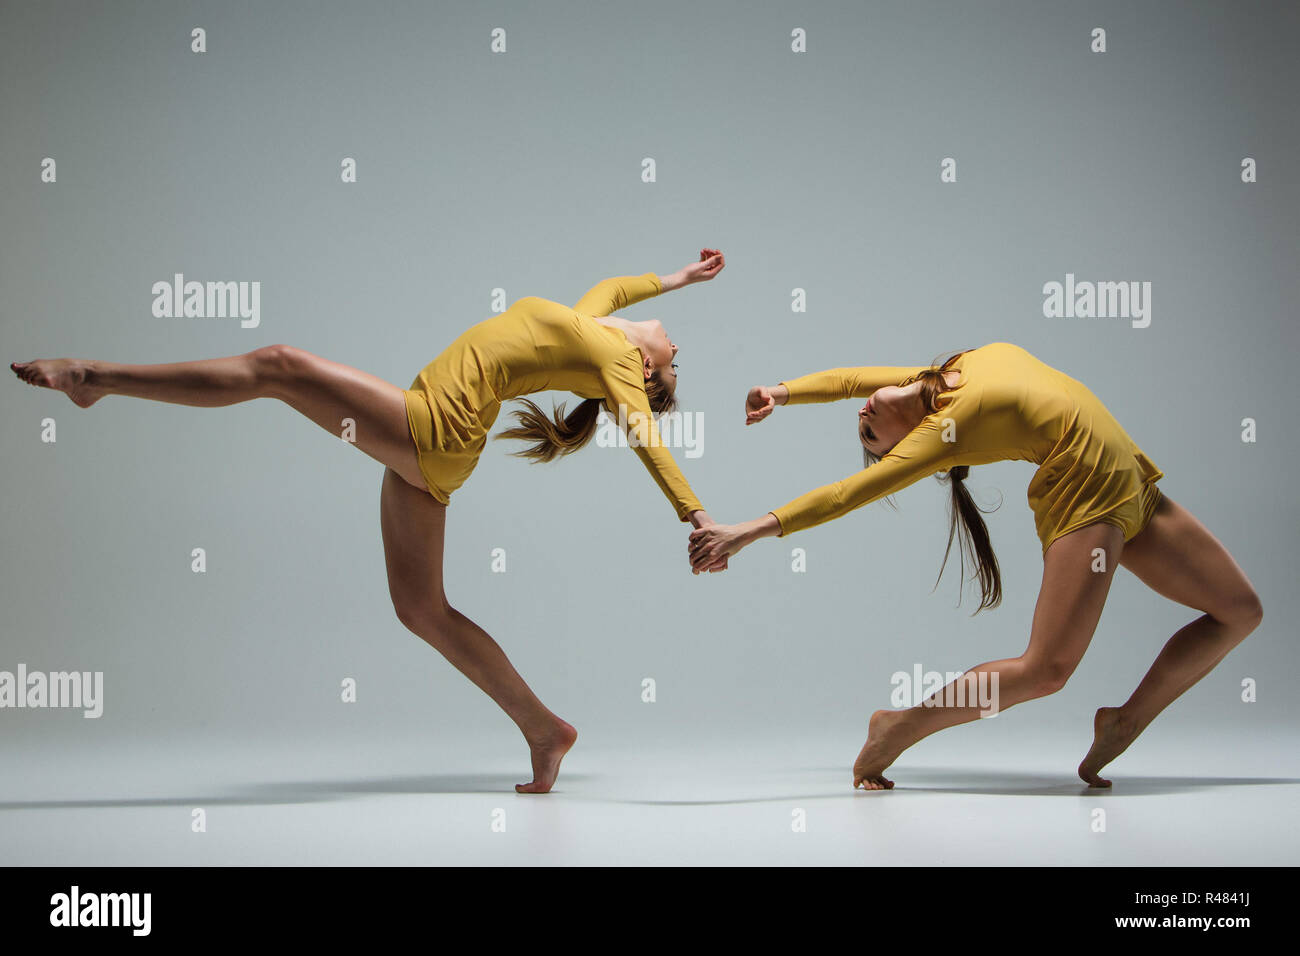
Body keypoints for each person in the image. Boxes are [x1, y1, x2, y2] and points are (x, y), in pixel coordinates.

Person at [11, 249, 728, 793]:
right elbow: (620, 288)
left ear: (643, 367)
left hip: (431, 430)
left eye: (673, 364)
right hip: (436, 446)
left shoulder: (611, 357)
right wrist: (682, 278)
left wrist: (695, 516)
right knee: (421, 609)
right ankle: (546, 730)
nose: (677, 349)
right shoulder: (596, 322)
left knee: (277, 364)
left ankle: (94, 379)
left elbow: (646, 438)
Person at [687, 342, 1262, 790]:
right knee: (1046, 669)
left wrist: (780, 392)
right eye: (869, 434)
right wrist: (747, 531)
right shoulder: (941, 435)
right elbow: (844, 495)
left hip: (1129, 479)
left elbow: (848, 381)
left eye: (862, 423)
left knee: (1238, 611)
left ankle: (1125, 720)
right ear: (908, 444)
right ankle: (900, 726)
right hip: (1087, 490)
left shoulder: (946, 374)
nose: (863, 413)